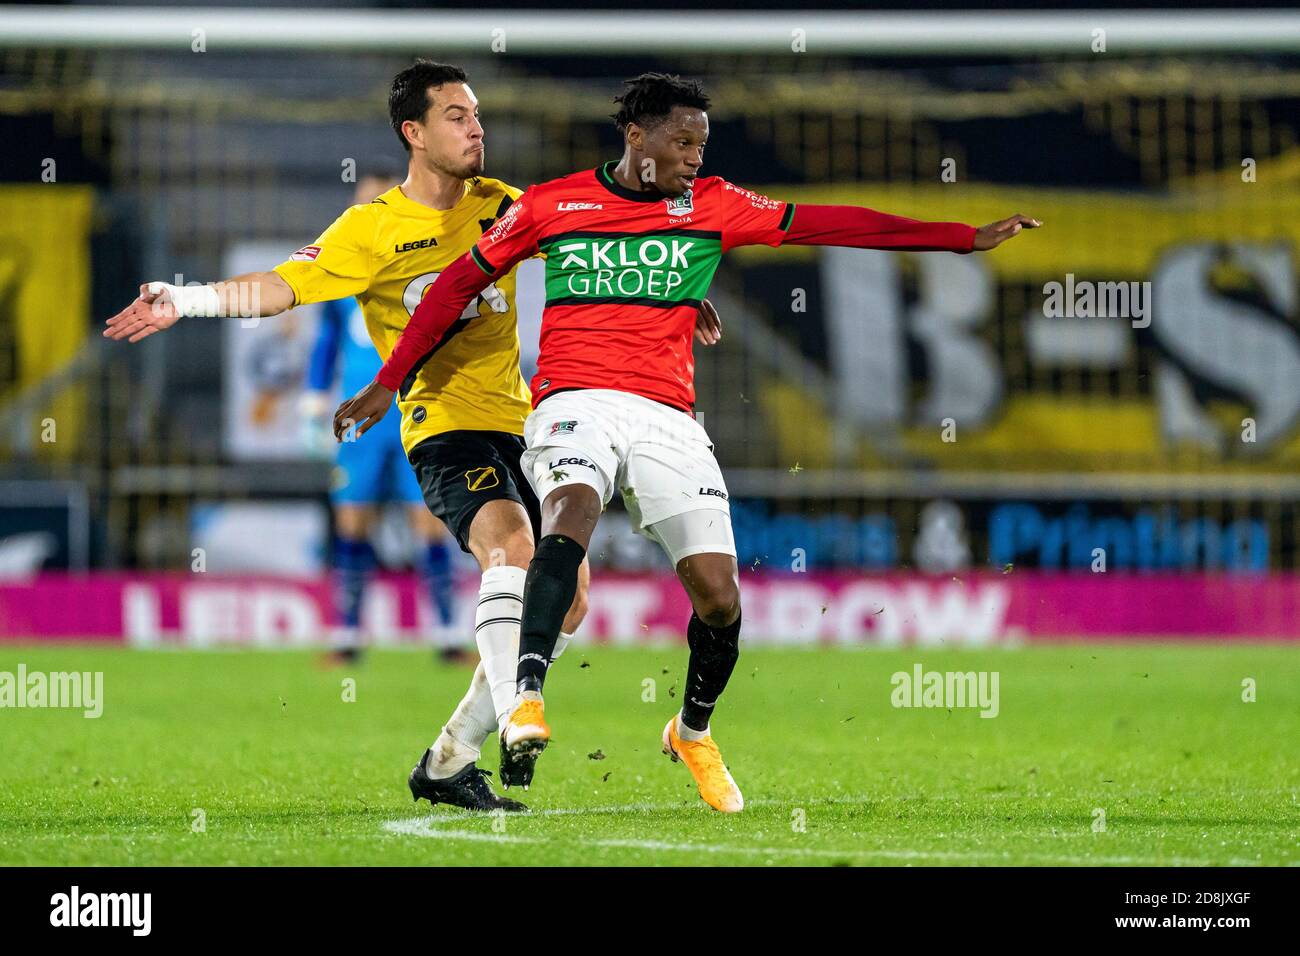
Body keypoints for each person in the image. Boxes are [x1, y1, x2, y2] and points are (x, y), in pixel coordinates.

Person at [336, 72, 1040, 811]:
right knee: (569, 513)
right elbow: (453, 286)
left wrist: (962, 239)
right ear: (636, 135)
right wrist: (390, 380)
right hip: (574, 401)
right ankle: (528, 698)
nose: (695, 156)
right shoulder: (554, 203)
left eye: (702, 143)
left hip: (669, 416)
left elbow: (834, 222)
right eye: (682, 140)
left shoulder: (713, 206)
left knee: (717, 595)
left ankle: (692, 730)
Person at [105, 62, 724, 811]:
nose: (477, 128)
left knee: (568, 602)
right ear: (415, 132)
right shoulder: (370, 229)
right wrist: (190, 298)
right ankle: (521, 710)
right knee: (513, 551)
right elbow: (279, 287)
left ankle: (449, 757)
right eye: (458, 117)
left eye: (478, 116)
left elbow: (602, 234)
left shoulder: (505, 205)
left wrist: (683, 296)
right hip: (442, 428)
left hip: (524, 422)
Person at [302, 164, 464, 666]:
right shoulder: (339, 270)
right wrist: (312, 401)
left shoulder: (421, 264)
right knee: (352, 523)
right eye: (359, 204)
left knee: (430, 523)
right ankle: (348, 637)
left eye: (375, 203)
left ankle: (447, 636)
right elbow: (327, 339)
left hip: (416, 411)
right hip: (358, 418)